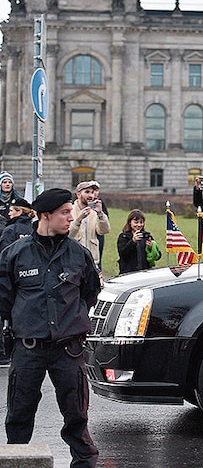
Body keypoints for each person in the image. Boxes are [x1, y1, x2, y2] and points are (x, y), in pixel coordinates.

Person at [0, 187, 101, 468]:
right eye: (65, 212)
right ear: (46, 216)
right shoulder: (15, 254)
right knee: (19, 415)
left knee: (76, 416)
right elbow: (4, 299)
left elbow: (89, 293)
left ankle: (84, 463)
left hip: (68, 349)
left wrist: (74, 320)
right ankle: (18, 462)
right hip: (28, 348)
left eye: (71, 211)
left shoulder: (78, 254)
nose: (72, 216)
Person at [68, 180, 110, 271]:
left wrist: (100, 214)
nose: (91, 195)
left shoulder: (94, 212)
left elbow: (104, 231)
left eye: (92, 192)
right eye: (87, 192)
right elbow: (68, 235)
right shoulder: (70, 211)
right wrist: (79, 220)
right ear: (78, 194)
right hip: (74, 262)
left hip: (92, 261)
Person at [116, 209, 160, 274]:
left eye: (141, 222)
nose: (139, 225)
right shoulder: (123, 237)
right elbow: (123, 255)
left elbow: (157, 256)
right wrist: (133, 241)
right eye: (136, 222)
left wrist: (151, 248)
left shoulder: (147, 236)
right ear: (129, 222)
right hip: (128, 273)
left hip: (145, 273)